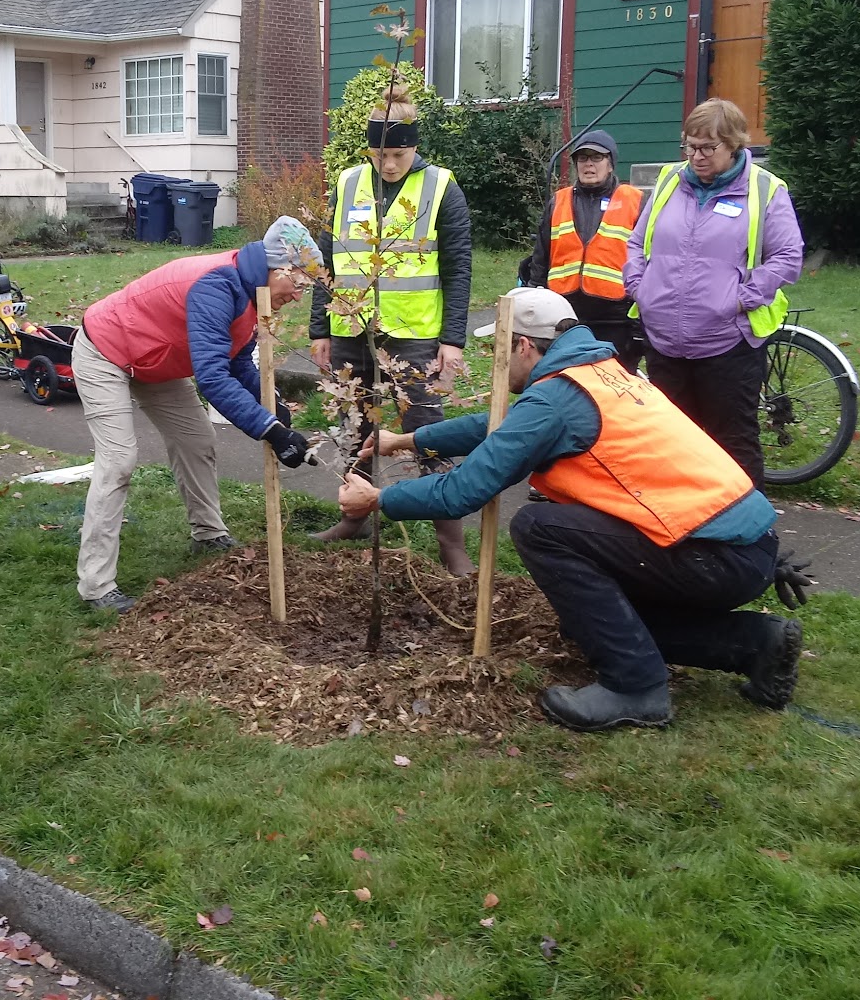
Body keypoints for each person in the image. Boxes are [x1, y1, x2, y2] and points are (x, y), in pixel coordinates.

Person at [337, 287, 802, 732]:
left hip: (709, 555)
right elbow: (504, 425)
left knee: (540, 527)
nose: (494, 362)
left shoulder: (557, 399)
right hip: (740, 542)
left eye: (497, 349)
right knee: (596, 621)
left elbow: (463, 491)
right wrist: (411, 438)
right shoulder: (602, 372)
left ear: (521, 346)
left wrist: (379, 499)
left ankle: (636, 687)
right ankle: (758, 644)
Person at [73, 216, 319, 612]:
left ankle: (208, 533)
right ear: (277, 268)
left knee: (198, 441)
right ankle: (97, 586)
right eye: (298, 283)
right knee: (119, 461)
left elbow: (238, 361)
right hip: (106, 350)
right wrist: (269, 430)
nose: (299, 295)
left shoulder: (253, 292)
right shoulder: (217, 286)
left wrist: (272, 407)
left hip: (157, 361)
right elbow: (213, 379)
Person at [308, 80, 475, 575]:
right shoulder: (346, 184)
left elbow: (459, 267)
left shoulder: (441, 187)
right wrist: (320, 326)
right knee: (353, 425)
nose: (388, 164)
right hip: (351, 328)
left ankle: (451, 543)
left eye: (398, 153)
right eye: (380, 153)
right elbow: (328, 261)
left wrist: (453, 339)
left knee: (428, 433)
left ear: (415, 147)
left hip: (415, 336)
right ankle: (353, 516)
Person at [624, 98, 803, 486]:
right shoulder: (671, 180)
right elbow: (638, 242)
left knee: (732, 445)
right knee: (672, 442)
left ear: (734, 145)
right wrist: (640, 287)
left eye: (708, 148)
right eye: (690, 146)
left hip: (727, 344)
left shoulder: (764, 189)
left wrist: (739, 299)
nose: (696, 157)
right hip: (665, 340)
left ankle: (745, 539)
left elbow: (788, 257)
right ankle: (681, 536)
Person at [524, 129, 643, 370]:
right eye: (582, 158)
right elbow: (540, 259)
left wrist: (640, 324)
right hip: (565, 317)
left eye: (596, 158)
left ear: (611, 164)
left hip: (616, 320)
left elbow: (650, 261)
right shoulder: (559, 201)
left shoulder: (636, 201)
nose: (588, 164)